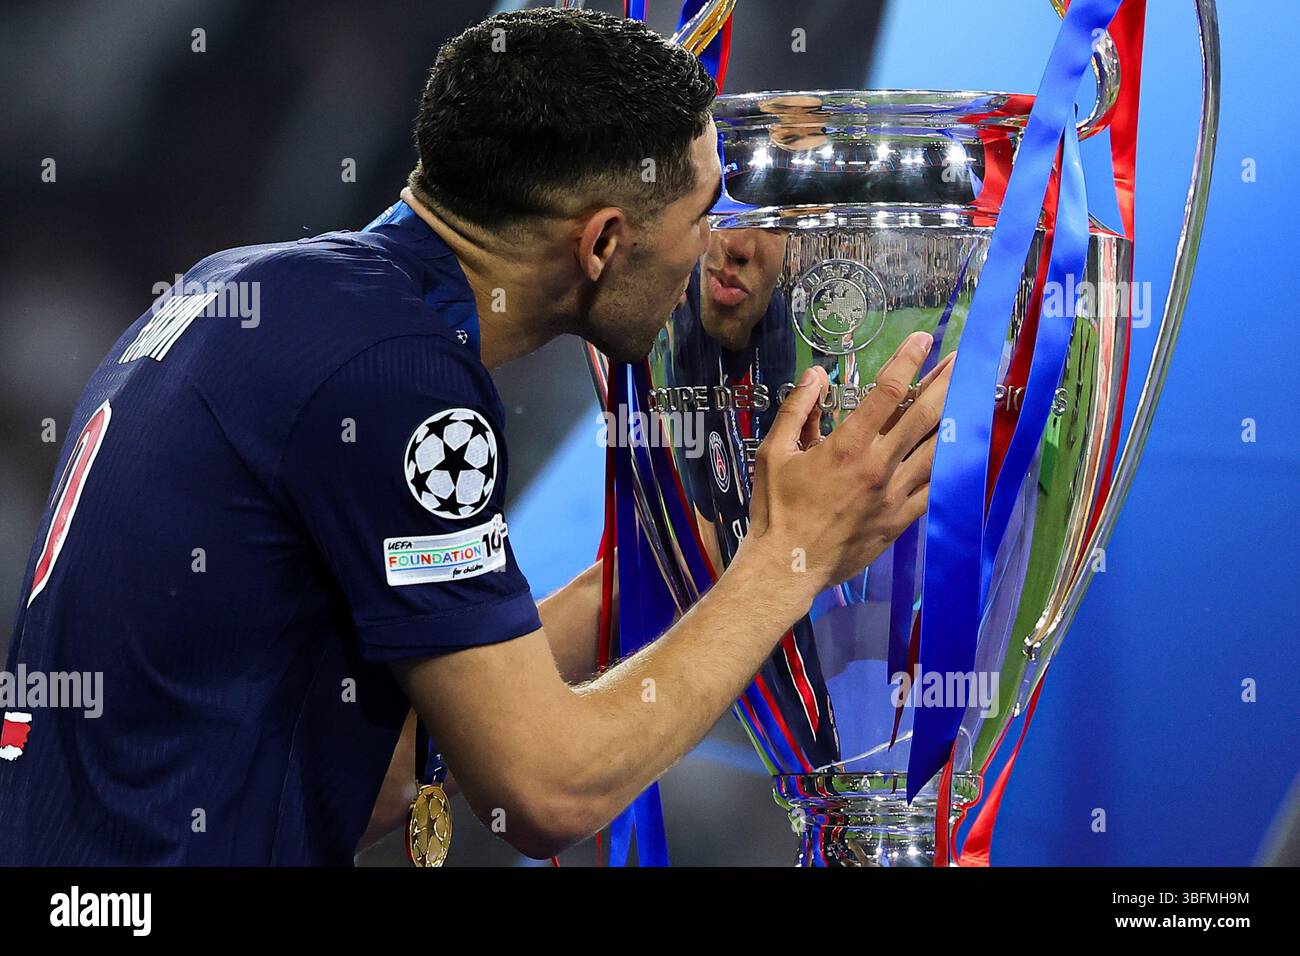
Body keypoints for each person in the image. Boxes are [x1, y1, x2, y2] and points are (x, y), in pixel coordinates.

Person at [0, 8, 951, 865]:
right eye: (706, 212)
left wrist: (722, 546)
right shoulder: (396, 378)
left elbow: (385, 757)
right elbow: (544, 791)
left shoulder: (259, 292)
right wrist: (791, 559)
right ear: (602, 241)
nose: (725, 246)